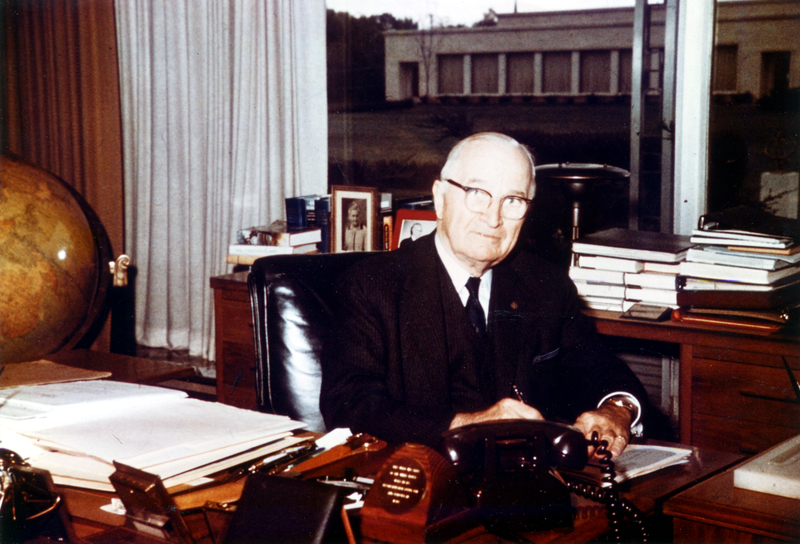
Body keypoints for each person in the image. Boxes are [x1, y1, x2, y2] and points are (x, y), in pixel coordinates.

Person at [321, 132, 649, 458]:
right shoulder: (370, 285)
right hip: (418, 482)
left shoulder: (546, 285)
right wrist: (465, 425)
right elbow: (350, 406)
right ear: (439, 198)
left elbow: (599, 369)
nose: (493, 218)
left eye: (513, 201)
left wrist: (616, 411)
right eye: (477, 193)